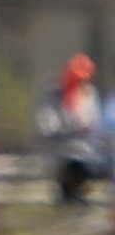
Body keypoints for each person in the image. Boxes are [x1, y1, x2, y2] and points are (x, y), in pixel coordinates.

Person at [34, 54, 100, 204]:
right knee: (65, 167)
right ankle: (65, 190)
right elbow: (47, 123)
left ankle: (77, 188)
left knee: (82, 162)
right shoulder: (52, 93)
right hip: (59, 149)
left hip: (82, 151)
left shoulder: (89, 94)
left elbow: (92, 121)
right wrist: (67, 128)